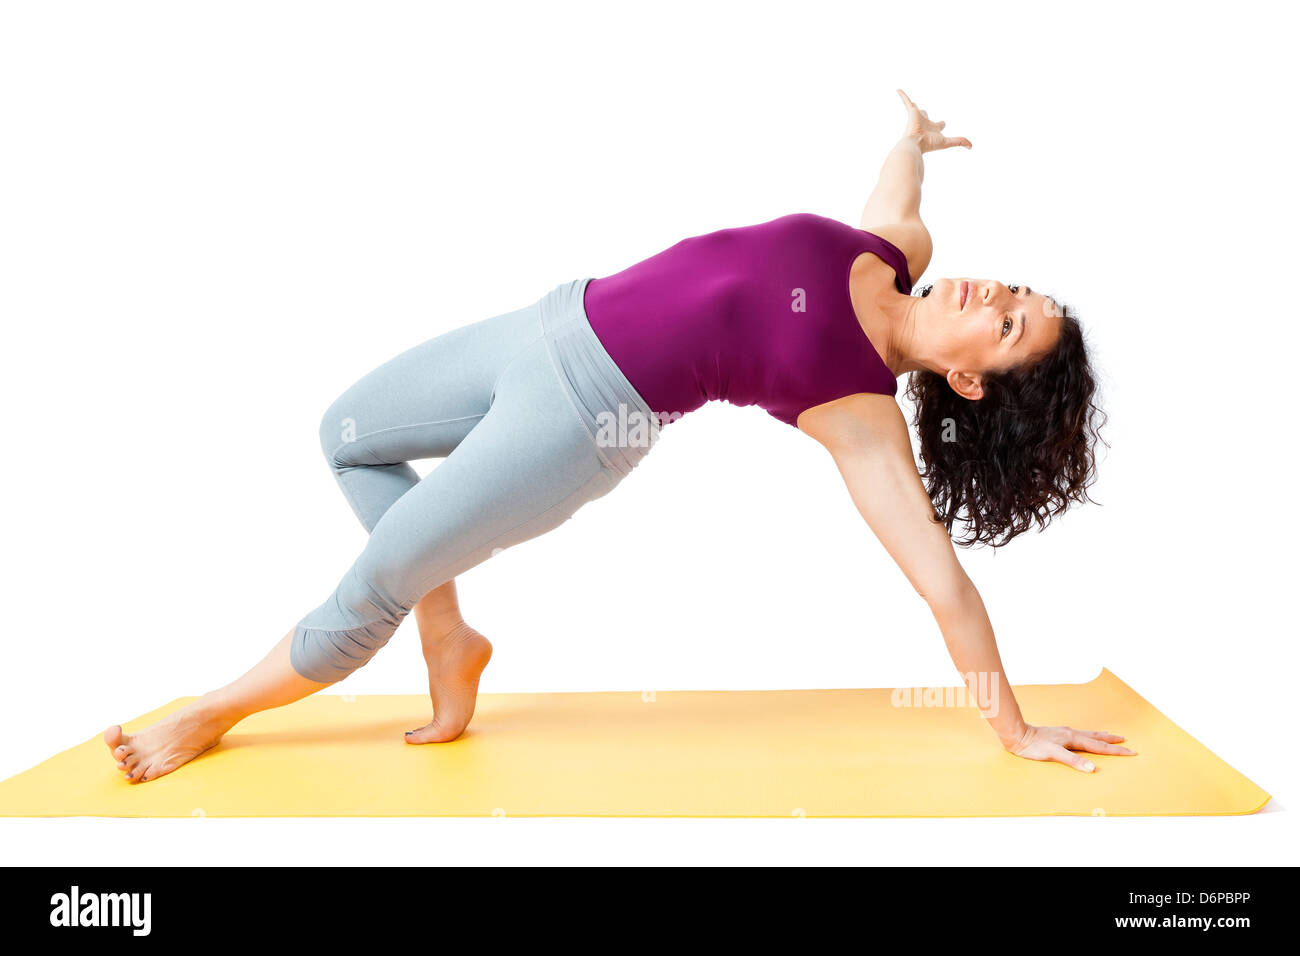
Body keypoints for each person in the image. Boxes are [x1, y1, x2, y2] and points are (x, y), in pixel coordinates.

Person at [104, 90, 1131, 784]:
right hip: (547, 321)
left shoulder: (855, 407)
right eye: (1019, 291)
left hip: (579, 424)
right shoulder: (896, 249)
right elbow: (896, 186)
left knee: (368, 585)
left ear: (966, 379)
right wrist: (915, 134)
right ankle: (450, 636)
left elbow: (943, 584)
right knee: (348, 433)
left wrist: (1013, 725)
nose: (996, 294)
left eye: (1007, 326)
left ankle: (211, 711)